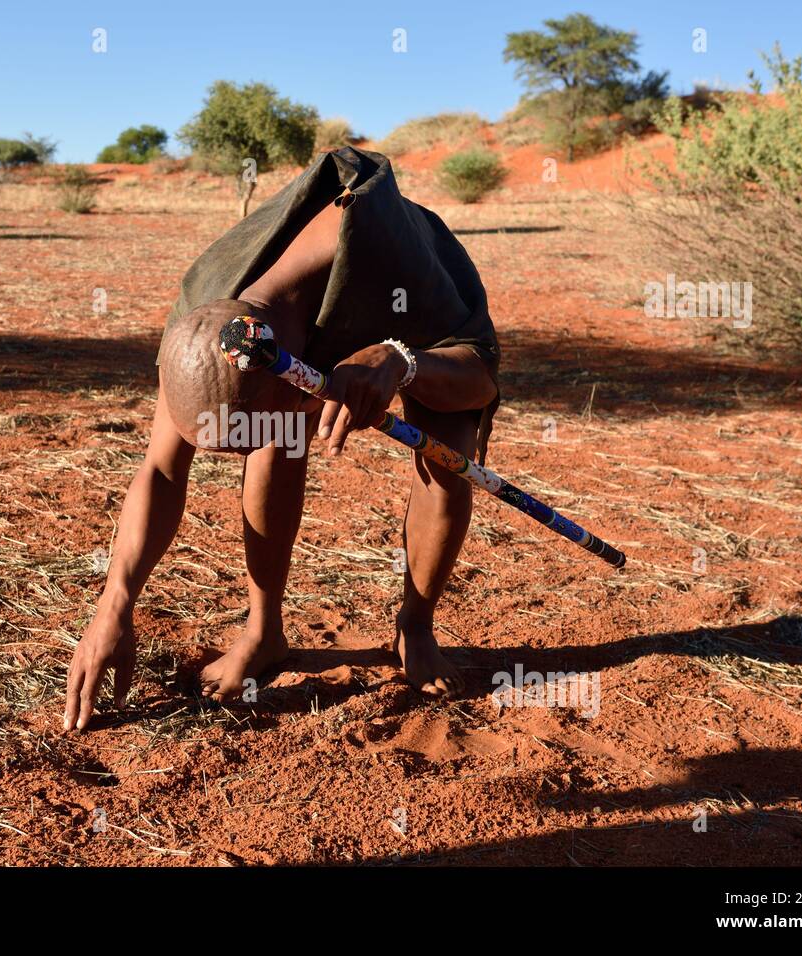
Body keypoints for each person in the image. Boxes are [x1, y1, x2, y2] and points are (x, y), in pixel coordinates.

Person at [64, 146, 500, 731]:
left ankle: (415, 627)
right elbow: (162, 470)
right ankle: (263, 631)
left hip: (416, 321)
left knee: (444, 466)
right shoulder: (204, 318)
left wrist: (400, 362)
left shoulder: (405, 269)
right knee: (277, 443)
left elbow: (477, 375)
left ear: (293, 373)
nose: (261, 440)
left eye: (267, 419)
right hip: (289, 343)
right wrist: (115, 599)